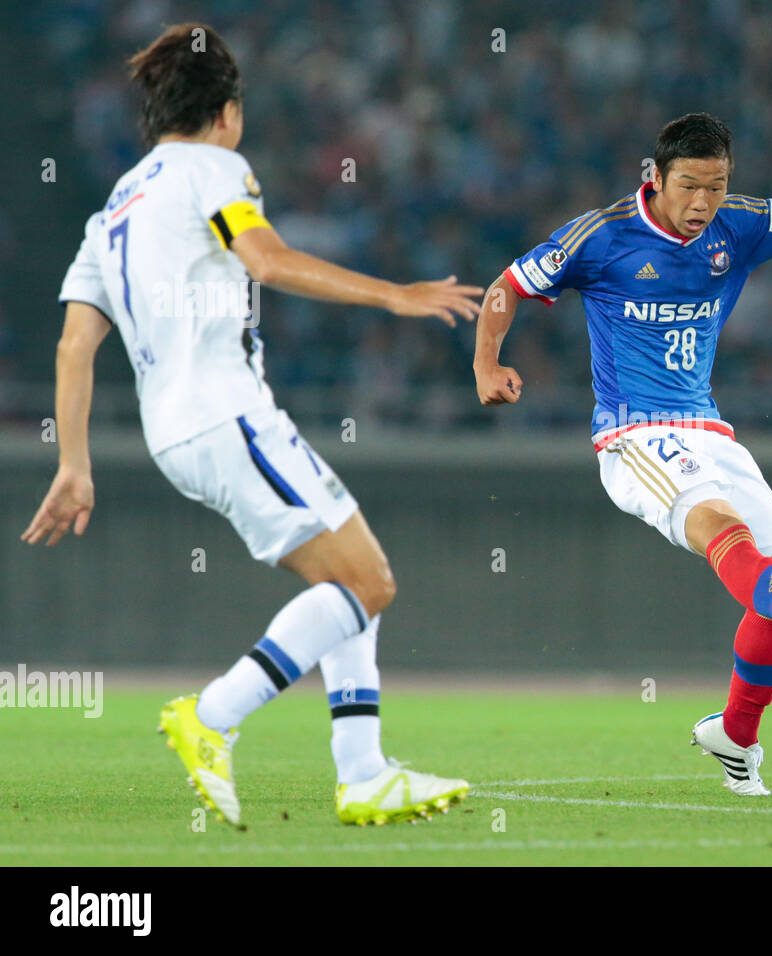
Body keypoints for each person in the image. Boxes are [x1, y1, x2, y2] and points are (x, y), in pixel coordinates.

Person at [21, 23, 479, 827]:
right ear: (227, 112)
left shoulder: (114, 210)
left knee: (344, 577)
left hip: (176, 437)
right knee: (369, 584)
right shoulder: (217, 168)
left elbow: (73, 345)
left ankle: (364, 770)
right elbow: (265, 260)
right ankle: (213, 715)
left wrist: (75, 463)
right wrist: (394, 294)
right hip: (227, 415)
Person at [473, 112, 772, 796]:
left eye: (716, 185)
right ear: (655, 178)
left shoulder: (736, 223)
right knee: (723, 532)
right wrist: (485, 366)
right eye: (689, 186)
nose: (702, 203)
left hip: (709, 431)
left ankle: (736, 736)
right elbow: (508, 286)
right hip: (633, 436)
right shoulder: (602, 235)